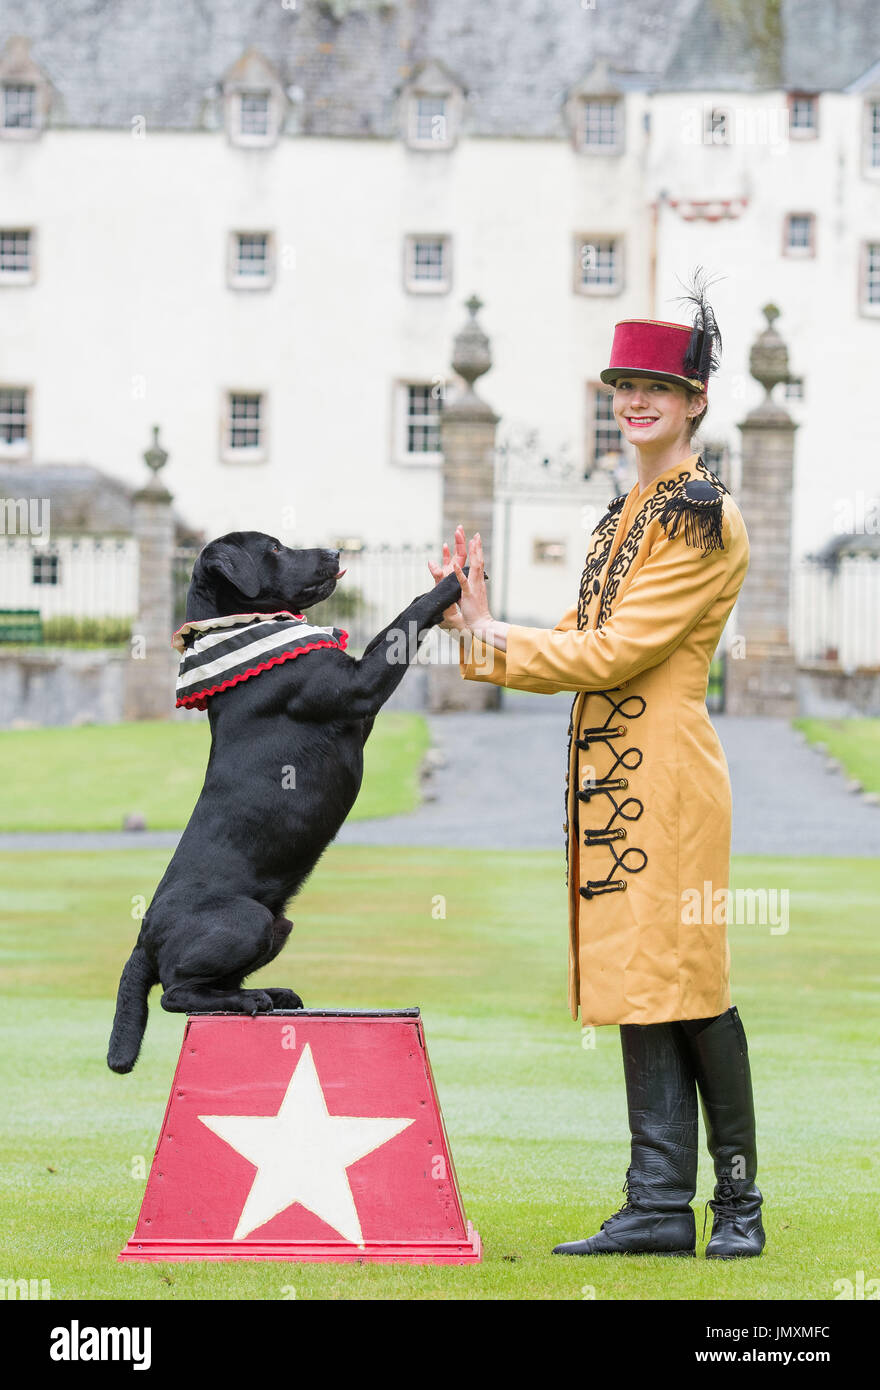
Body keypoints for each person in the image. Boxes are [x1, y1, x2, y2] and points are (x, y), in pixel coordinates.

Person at [429, 282, 765, 1259]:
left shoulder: (699, 515)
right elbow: (579, 639)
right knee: (639, 981)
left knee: (688, 982)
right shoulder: (626, 513)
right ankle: (658, 1204)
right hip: (619, 781)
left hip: (667, 780)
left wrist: (491, 636)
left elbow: (614, 654)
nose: (635, 400)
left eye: (656, 384)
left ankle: (735, 1202)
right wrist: (480, 632)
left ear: (695, 397)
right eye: (623, 384)